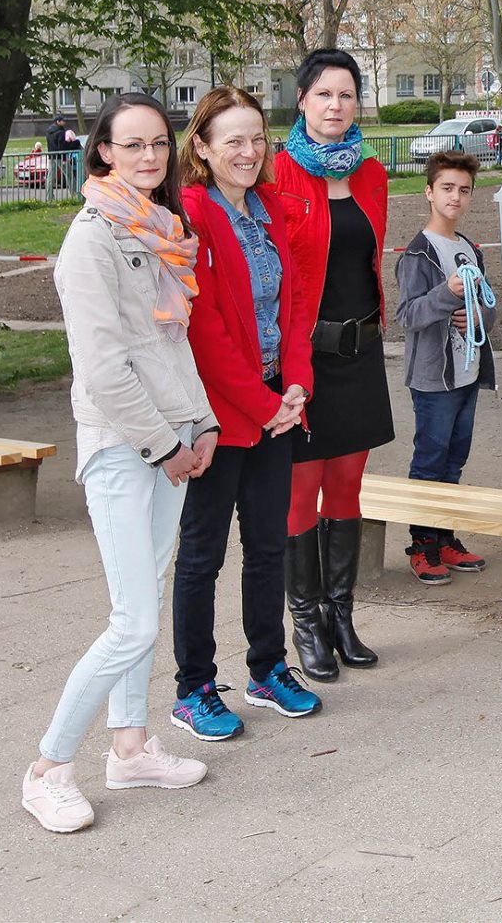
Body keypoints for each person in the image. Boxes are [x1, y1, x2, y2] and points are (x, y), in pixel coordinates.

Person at [24, 92, 216, 833]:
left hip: (171, 440)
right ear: (101, 149)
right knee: (133, 621)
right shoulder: (91, 240)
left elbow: (170, 345)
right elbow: (103, 368)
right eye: (132, 144)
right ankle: (47, 767)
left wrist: (199, 424)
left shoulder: (162, 231)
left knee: (148, 597)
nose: (149, 156)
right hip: (123, 447)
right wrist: (164, 444)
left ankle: (130, 747)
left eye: (159, 144)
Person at [170, 88, 323, 742]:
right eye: (232, 138)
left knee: (267, 545)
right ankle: (194, 686)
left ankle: (266, 667)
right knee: (203, 553)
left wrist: (296, 388)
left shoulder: (266, 207)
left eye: (256, 136)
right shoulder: (191, 214)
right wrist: (265, 405)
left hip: (273, 406)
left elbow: (291, 309)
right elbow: (205, 330)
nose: (248, 150)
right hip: (217, 413)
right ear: (202, 146)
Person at [271, 49, 393, 681]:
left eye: (346, 95)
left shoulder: (372, 174)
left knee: (348, 487)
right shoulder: (279, 174)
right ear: (303, 100)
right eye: (324, 95)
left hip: (362, 353)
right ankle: (307, 621)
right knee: (301, 493)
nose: (336, 107)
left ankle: (343, 615)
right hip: (305, 357)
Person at [392, 149, 494, 584]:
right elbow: (407, 316)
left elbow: (487, 306)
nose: (456, 197)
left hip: (467, 373)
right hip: (435, 378)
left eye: (464, 190)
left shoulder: (469, 248)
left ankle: (444, 537)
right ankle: (422, 544)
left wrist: (474, 315)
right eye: (447, 188)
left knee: (454, 459)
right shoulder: (418, 255)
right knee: (430, 459)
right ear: (429, 192)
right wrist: (449, 295)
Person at [47, 113, 81, 191]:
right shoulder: (60, 132)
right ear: (58, 122)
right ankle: (74, 194)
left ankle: (49, 197)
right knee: (69, 176)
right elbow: (63, 146)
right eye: (63, 121)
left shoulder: (48, 132)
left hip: (51, 156)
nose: (64, 122)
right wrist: (75, 143)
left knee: (50, 177)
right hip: (61, 157)